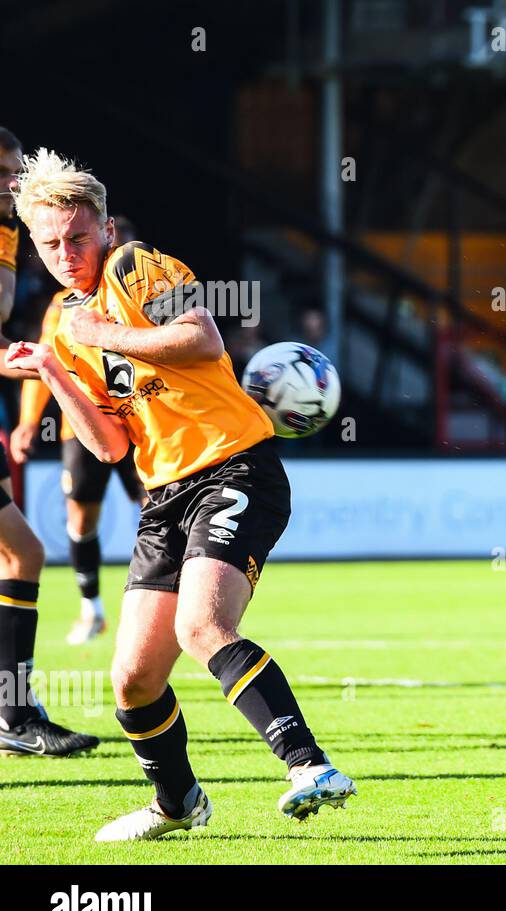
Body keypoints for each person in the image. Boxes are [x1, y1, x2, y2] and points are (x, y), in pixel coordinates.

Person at [8, 147, 355, 839]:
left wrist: (103, 331)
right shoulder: (57, 324)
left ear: (105, 228)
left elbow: (202, 338)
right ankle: (177, 802)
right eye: (50, 244)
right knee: (133, 681)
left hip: (237, 467)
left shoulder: (136, 266)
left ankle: (308, 764)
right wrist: (53, 368)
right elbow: (109, 446)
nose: (66, 253)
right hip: (163, 495)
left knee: (202, 626)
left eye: (78, 236)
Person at [0, 127, 98, 756]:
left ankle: (13, 712)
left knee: (16, 556)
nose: (10, 180)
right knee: (22, 554)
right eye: (0, 170)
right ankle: (12, 716)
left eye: (14, 169)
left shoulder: (10, 232)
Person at [11, 216, 147, 645]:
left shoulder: (143, 292)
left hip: (140, 423)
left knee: (157, 507)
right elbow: (46, 364)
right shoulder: (62, 305)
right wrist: (29, 422)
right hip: (84, 428)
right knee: (81, 517)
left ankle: (159, 600)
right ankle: (92, 609)